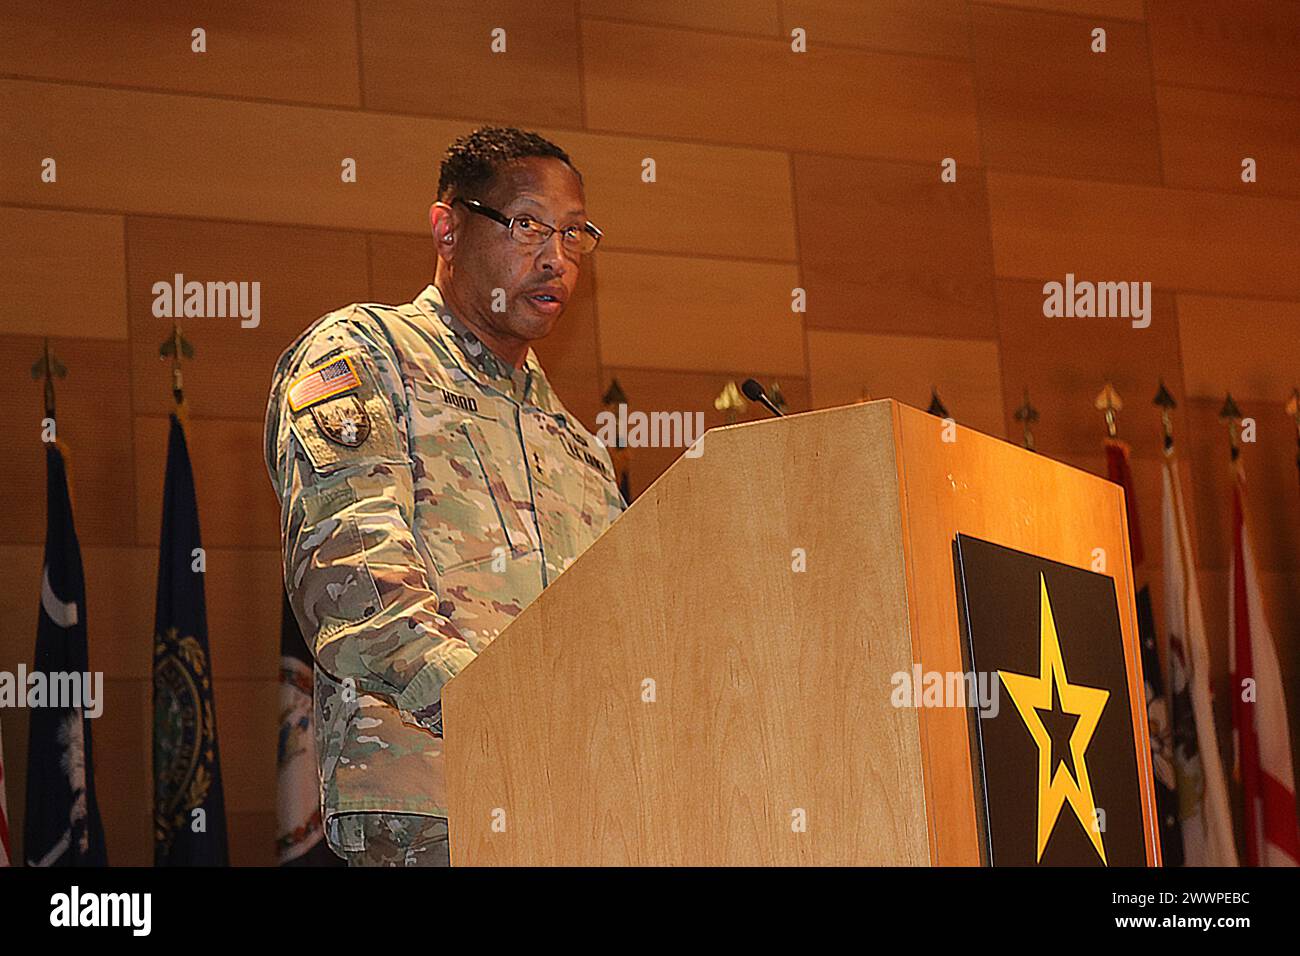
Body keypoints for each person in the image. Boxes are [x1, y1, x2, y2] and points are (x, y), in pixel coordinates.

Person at [263, 127, 625, 866]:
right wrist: (501, 716)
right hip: (435, 813)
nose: (555, 257)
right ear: (448, 227)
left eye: (573, 233)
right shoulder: (366, 356)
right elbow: (353, 584)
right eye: (526, 225)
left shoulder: (578, 447)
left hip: (585, 816)